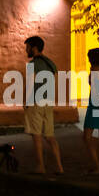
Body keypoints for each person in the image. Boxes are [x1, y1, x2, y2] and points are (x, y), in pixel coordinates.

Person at [23, 35, 64, 175]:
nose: (26, 50)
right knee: (50, 136)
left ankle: (41, 166)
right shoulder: (51, 63)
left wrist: (26, 103)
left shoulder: (32, 65)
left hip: (36, 102)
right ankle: (59, 167)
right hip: (49, 102)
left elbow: (30, 85)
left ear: (34, 48)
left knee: (36, 134)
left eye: (27, 47)